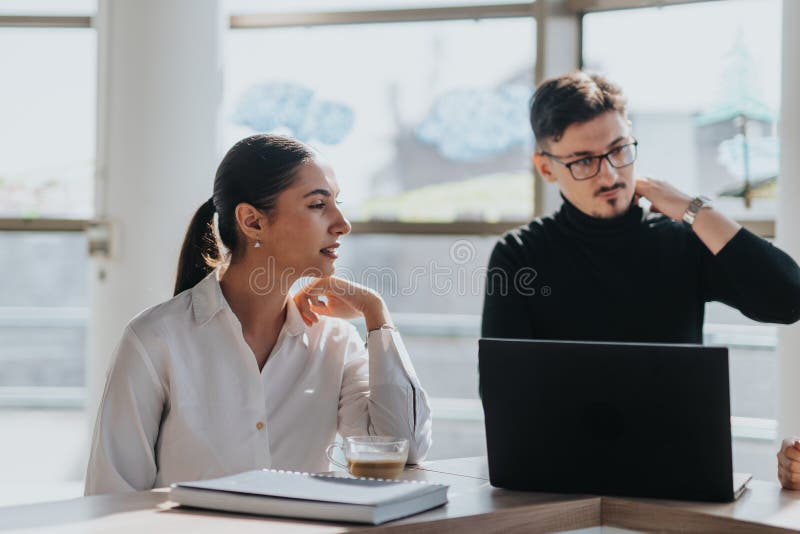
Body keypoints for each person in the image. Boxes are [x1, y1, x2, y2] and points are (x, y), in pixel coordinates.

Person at [85, 134, 432, 494]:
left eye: (337, 204)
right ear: (252, 221)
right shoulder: (155, 340)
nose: (342, 223)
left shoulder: (335, 343)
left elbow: (403, 451)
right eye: (317, 205)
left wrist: (376, 315)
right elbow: (111, 498)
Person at [482, 71, 800, 343]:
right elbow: (501, 391)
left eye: (618, 149)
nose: (609, 174)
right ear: (546, 168)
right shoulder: (520, 254)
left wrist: (692, 208)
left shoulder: (680, 241)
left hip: (679, 418)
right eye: (584, 161)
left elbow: (789, 299)